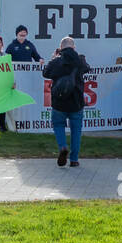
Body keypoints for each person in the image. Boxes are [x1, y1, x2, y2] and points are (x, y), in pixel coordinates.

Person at [42, 36, 91, 166]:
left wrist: (53, 58)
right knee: (76, 131)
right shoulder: (80, 60)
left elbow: (45, 73)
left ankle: (63, 147)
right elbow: (87, 68)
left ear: (60, 48)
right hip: (76, 102)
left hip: (59, 102)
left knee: (58, 125)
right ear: (73, 47)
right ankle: (74, 160)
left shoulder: (56, 61)